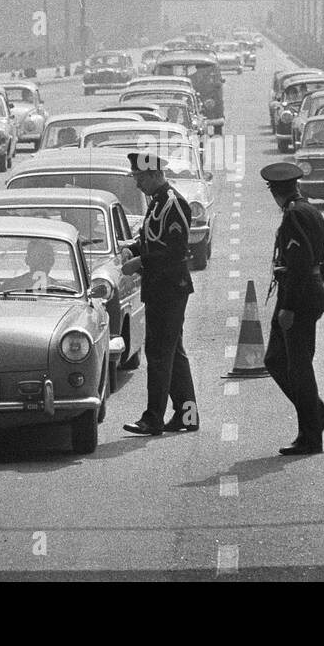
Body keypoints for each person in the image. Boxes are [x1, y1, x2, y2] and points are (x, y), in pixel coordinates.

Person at [119, 150, 198, 436]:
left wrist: (140, 261)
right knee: (174, 352)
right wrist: (134, 249)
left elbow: (175, 251)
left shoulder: (173, 204)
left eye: (140, 178)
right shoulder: (157, 203)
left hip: (169, 289)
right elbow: (152, 241)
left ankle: (153, 418)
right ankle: (187, 415)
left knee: (159, 353)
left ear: (154, 174)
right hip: (158, 288)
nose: (137, 184)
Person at [261, 162, 324, 455]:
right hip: (307, 295)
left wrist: (289, 307)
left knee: (298, 369)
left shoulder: (294, 215)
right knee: (278, 360)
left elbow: (301, 264)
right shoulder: (307, 210)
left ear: (274, 191)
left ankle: (311, 435)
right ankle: (317, 418)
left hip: (299, 299)